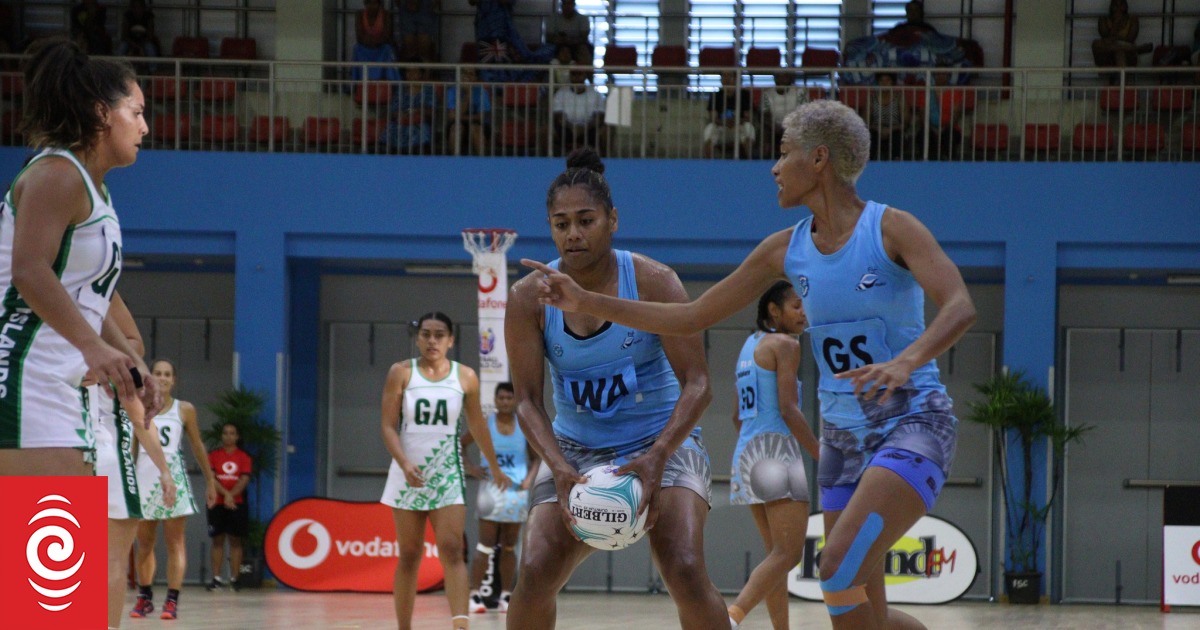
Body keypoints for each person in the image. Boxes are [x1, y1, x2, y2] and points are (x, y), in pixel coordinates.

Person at [523, 100, 977, 630]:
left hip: (912, 422)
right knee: (862, 606)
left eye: (783, 154)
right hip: (842, 440)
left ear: (820, 159)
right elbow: (692, 314)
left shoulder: (893, 228)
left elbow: (960, 305)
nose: (773, 167)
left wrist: (906, 361)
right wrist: (588, 302)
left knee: (835, 569)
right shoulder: (783, 250)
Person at [504, 148, 730, 629]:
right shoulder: (528, 297)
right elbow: (525, 399)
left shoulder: (653, 281)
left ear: (612, 220)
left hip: (660, 442)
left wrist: (658, 454)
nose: (573, 233)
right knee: (535, 570)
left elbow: (699, 384)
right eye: (560, 223)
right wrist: (560, 469)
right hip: (574, 449)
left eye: (585, 220)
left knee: (686, 571)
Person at [0, 37, 157, 477]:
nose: (144, 127)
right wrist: (92, 347)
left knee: (56, 543)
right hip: (24, 372)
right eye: (137, 112)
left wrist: (131, 360)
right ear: (101, 113)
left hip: (57, 383)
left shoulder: (93, 188)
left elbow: (85, 295)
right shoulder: (57, 175)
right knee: (52, 544)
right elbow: (30, 270)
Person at [380, 312, 512, 630]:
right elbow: (387, 426)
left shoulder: (465, 376)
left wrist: (494, 466)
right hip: (407, 471)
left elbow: (477, 425)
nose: (432, 340)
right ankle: (404, 627)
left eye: (439, 335)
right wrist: (404, 463)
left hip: (448, 471)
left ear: (451, 340)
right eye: (426, 334)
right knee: (410, 554)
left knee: (452, 548)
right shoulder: (401, 372)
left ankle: (460, 625)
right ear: (418, 338)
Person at [726, 281, 819, 629]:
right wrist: (820, 453)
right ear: (774, 311)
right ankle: (732, 617)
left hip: (747, 452)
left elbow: (737, 414)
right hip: (776, 452)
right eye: (796, 306)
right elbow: (789, 409)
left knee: (776, 558)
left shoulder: (749, 345)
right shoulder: (785, 345)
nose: (804, 313)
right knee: (788, 554)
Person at [94, 294, 176, 630]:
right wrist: (165, 470)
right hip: (104, 456)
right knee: (112, 560)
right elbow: (142, 421)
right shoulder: (113, 365)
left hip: (50, 447)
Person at [130, 358, 219, 621]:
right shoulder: (138, 406)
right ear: (150, 377)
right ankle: (144, 597)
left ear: (174, 380)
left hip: (175, 482)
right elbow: (133, 448)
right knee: (144, 543)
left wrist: (210, 481)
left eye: (168, 374)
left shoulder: (185, 409)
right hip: (145, 479)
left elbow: (198, 446)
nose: (162, 377)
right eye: (157, 373)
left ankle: (172, 600)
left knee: (175, 542)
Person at [462, 382, 540, 614]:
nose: (505, 401)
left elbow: (536, 457)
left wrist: (529, 479)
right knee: (485, 545)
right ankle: (474, 594)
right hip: (491, 489)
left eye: (509, 398)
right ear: (495, 400)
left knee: (509, 546)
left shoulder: (523, 426)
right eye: (501, 398)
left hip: (516, 491)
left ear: (514, 400)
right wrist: (472, 469)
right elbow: (461, 444)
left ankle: (506, 596)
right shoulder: (485, 424)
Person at [207, 421, 252, 592]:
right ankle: (217, 578)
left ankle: (234, 579)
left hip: (237, 504)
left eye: (232, 433)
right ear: (221, 436)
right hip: (217, 503)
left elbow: (244, 478)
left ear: (237, 436)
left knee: (235, 540)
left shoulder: (244, 457)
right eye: (225, 433)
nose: (228, 436)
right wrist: (225, 495)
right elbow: (211, 477)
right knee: (217, 539)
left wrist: (231, 496)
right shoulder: (213, 456)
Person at [383, 62, 438, 154]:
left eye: (414, 71)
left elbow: (431, 111)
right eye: (408, 71)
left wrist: (416, 111)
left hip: (419, 123)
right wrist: (400, 114)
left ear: (421, 73)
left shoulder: (428, 90)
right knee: (389, 130)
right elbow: (393, 110)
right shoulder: (401, 89)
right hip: (401, 122)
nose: (411, 74)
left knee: (423, 131)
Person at [1091, 0, 1152, 82]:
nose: (1118, 8)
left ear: (1126, 6)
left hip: (1127, 55)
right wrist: (1116, 24)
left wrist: (1115, 40)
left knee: (1119, 52)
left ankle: (1122, 88)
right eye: (1115, 5)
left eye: (1121, 4)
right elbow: (1105, 37)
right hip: (1107, 54)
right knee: (1096, 44)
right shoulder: (1103, 19)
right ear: (1111, 6)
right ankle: (1137, 49)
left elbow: (1130, 39)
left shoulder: (1132, 19)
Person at [551, 67, 606, 156]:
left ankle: (605, 161)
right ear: (570, 76)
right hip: (567, 128)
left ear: (585, 76)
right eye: (574, 74)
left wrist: (584, 128)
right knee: (545, 131)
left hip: (590, 129)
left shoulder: (595, 94)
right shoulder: (561, 93)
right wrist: (572, 127)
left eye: (579, 74)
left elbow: (599, 116)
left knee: (606, 131)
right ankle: (547, 161)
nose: (577, 77)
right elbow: (559, 116)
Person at [704, 71, 756, 159]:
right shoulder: (716, 95)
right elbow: (713, 117)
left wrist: (736, 121)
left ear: (735, 79)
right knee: (709, 128)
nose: (726, 79)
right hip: (721, 127)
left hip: (739, 126)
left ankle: (748, 160)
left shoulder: (744, 95)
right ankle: (709, 162)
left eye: (729, 76)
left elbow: (749, 116)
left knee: (749, 127)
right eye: (724, 76)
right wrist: (724, 122)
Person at [446, 65, 492, 156]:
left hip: (479, 124)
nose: (466, 77)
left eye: (470, 74)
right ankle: (454, 162)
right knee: (456, 128)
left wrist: (459, 117)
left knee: (475, 129)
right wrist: (467, 94)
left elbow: (481, 117)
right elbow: (452, 116)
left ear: (475, 77)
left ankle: (482, 163)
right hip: (456, 124)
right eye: (464, 73)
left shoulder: (482, 92)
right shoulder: (452, 91)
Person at [761, 70, 809, 156]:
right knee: (765, 131)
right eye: (779, 77)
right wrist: (774, 126)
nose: (782, 79)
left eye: (785, 77)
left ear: (790, 79)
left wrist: (790, 126)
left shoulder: (800, 92)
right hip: (773, 126)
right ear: (775, 79)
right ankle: (764, 159)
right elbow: (765, 114)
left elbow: (803, 113)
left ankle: (798, 158)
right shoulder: (767, 94)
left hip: (794, 125)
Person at [353, 0, 399, 82]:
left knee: (388, 49)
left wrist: (371, 40)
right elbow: (359, 37)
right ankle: (356, 83)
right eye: (369, 3)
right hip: (365, 48)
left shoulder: (386, 15)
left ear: (379, 4)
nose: (372, 6)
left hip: (381, 48)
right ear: (365, 3)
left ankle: (389, 81)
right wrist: (374, 41)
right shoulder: (359, 14)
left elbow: (387, 36)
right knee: (356, 48)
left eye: (374, 3)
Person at [867, 72, 909, 160]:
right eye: (881, 81)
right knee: (871, 136)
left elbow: (905, 122)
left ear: (892, 82)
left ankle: (896, 161)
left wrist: (891, 129)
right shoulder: (871, 98)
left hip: (895, 129)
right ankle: (869, 163)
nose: (884, 83)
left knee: (897, 137)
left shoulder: (899, 98)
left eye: (887, 80)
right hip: (876, 129)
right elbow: (865, 122)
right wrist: (877, 128)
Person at [546, 0, 590, 65]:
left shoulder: (583, 19)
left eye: (569, 4)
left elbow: (584, 37)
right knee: (546, 51)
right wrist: (560, 40)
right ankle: (547, 73)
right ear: (561, 5)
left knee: (584, 50)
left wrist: (571, 40)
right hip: (557, 44)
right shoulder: (553, 18)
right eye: (565, 4)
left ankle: (585, 73)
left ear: (574, 5)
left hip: (577, 45)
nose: (567, 6)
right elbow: (549, 36)